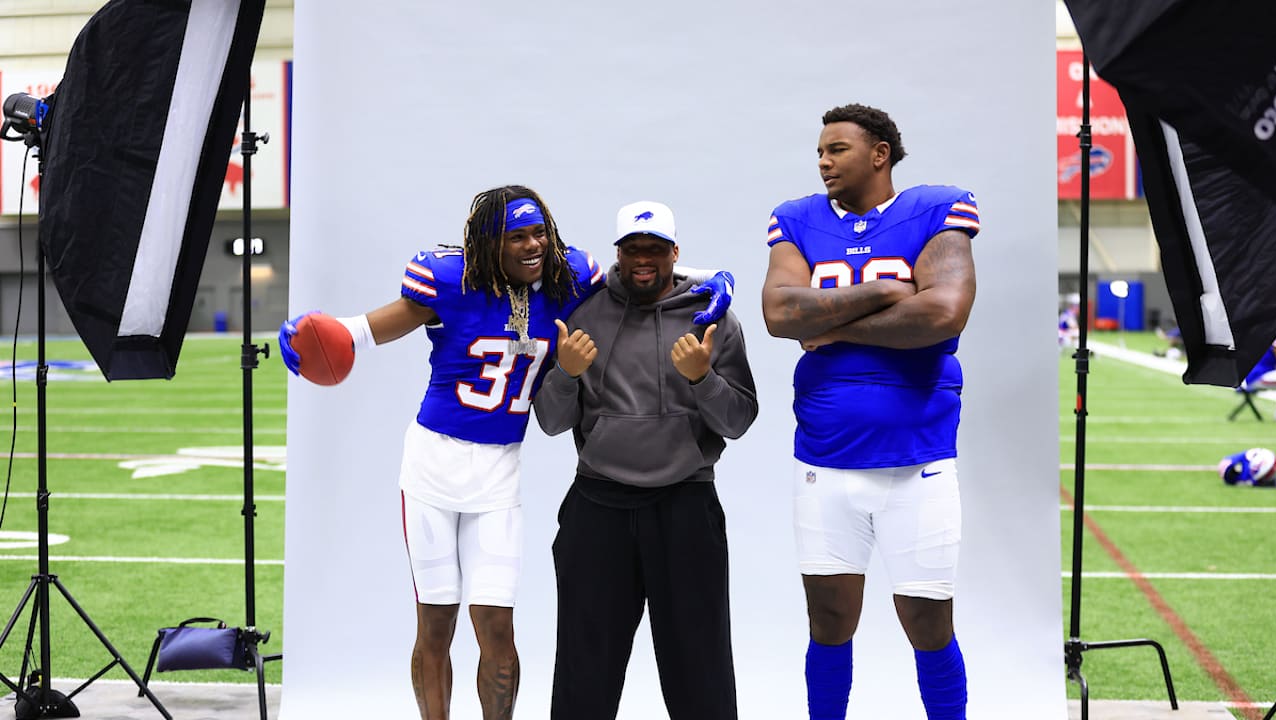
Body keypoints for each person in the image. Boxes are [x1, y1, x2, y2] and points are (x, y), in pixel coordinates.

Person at [277, 186, 734, 720]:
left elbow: (637, 270)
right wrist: (330, 335)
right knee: (436, 618)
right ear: (490, 243)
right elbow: (371, 328)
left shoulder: (568, 280)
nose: (533, 245)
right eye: (517, 236)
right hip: (432, 464)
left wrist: (711, 278)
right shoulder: (451, 281)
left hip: (498, 472)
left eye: (539, 232)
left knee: (496, 624)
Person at [760, 104, 979, 720]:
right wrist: (885, 290)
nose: (824, 161)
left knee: (928, 620)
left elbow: (942, 313)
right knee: (828, 620)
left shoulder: (937, 209)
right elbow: (780, 314)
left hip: (920, 461)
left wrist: (832, 322)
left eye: (838, 150)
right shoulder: (797, 219)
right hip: (827, 460)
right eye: (821, 152)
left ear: (879, 153)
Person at [533, 200, 758, 720]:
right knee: (584, 667)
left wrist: (703, 378)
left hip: (685, 505)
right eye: (632, 248)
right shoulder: (584, 313)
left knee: (699, 665)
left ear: (675, 253)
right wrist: (565, 374)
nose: (643, 259)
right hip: (597, 506)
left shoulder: (712, 319)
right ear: (618, 252)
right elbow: (548, 420)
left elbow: (740, 420)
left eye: (655, 249)